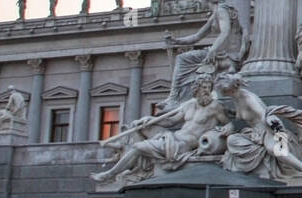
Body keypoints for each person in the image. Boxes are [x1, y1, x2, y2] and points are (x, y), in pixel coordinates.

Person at [92, 77, 230, 184]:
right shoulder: (189, 105)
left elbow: (229, 124)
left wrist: (227, 128)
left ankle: (110, 174)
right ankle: (134, 168)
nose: (206, 90)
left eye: (208, 87)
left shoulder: (215, 107)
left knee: (138, 147)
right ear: (196, 90)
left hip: (183, 146)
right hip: (173, 137)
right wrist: (151, 119)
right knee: (139, 126)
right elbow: (171, 121)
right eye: (203, 87)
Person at [217, 72, 302, 183]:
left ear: (227, 89)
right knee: (232, 140)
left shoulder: (248, 98)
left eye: (219, 89)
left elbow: (264, 114)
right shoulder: (236, 97)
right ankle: (255, 168)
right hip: (254, 132)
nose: (218, 92)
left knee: (274, 149)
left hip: (266, 129)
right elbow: (240, 114)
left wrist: (276, 131)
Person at [163, 0, 244, 108]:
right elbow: (197, 37)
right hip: (219, 53)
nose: (201, 1)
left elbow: (225, 32)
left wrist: (212, 49)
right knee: (183, 58)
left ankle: (173, 97)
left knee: (182, 59)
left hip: (225, 54)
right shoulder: (215, 14)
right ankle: (176, 97)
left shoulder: (221, 10)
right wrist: (176, 41)